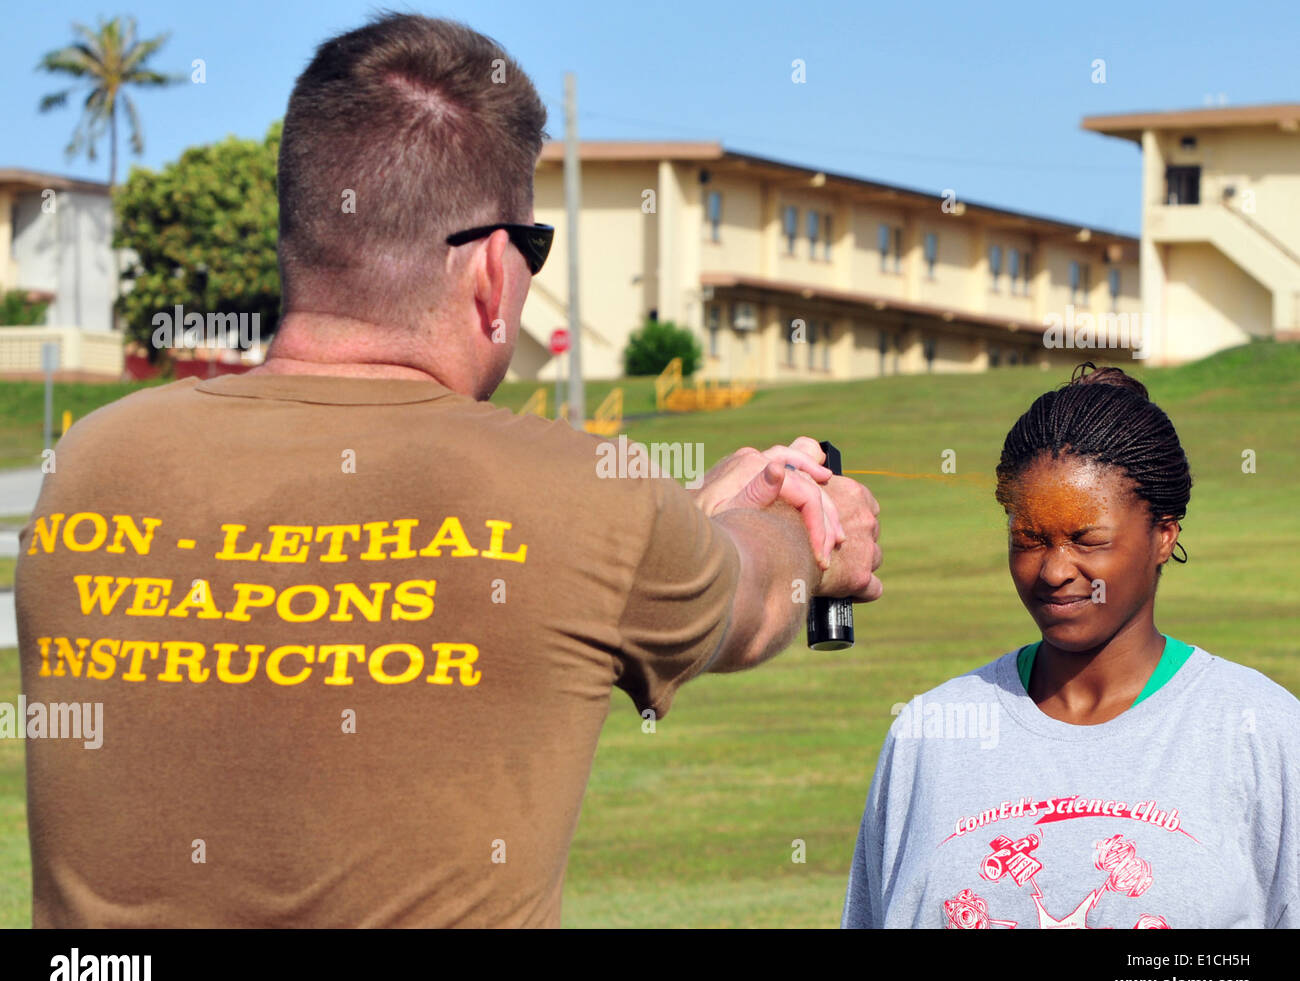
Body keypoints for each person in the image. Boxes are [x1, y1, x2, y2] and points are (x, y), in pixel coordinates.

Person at [16, 13, 882, 928]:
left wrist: (685, 525)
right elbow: (750, 601)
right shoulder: (585, 500)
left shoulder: (91, 463)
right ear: (491, 271)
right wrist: (810, 531)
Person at [841, 363, 1298, 929]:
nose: (1055, 570)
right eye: (1029, 539)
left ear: (1164, 534)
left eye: (1089, 540)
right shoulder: (930, 733)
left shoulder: (1263, 731)